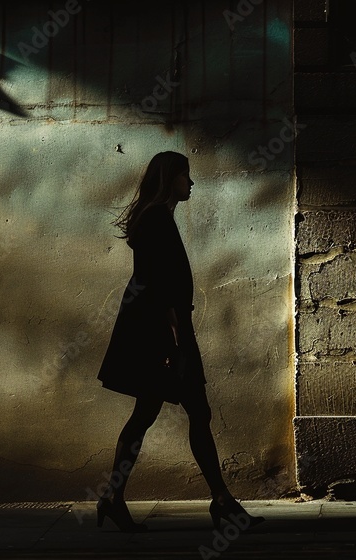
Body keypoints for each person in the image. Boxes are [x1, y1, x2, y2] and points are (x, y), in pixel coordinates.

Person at [95, 151, 265, 532]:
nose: (191, 183)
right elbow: (157, 283)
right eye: (186, 176)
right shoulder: (157, 219)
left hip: (157, 328)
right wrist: (174, 340)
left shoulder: (157, 218)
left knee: (150, 413)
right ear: (169, 178)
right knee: (194, 411)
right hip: (163, 331)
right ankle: (220, 500)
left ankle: (114, 496)